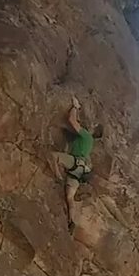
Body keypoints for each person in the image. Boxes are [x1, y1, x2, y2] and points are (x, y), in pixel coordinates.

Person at [49, 97, 103, 228]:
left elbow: (71, 121)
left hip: (75, 162)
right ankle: (71, 220)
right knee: (69, 198)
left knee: (53, 156)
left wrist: (75, 107)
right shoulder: (90, 143)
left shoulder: (86, 136)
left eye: (93, 126)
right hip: (80, 172)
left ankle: (58, 176)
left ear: (93, 130)